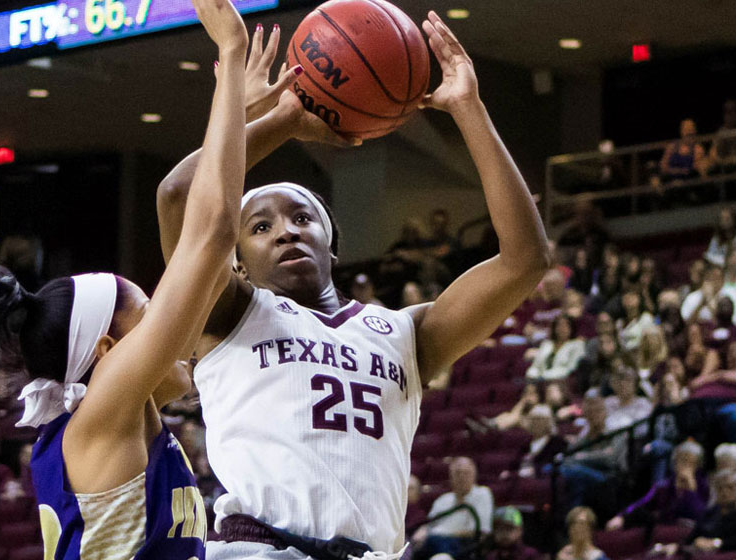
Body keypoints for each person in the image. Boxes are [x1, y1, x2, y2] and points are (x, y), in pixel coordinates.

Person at [156, 10, 551, 559]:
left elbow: (526, 260)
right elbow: (178, 195)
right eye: (261, 227)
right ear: (236, 263)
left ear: (332, 245)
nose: (286, 231)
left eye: (303, 217)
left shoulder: (404, 333)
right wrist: (284, 121)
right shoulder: (229, 314)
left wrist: (468, 108)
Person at [0, 1, 250, 557]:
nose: (168, 317)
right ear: (107, 350)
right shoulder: (101, 414)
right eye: (148, 310)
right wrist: (232, 54)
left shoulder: (105, 421)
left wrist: (259, 115)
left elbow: (211, 266)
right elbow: (212, 233)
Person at [607, 440, 709, 530]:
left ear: (698, 465)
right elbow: (642, 504)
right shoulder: (663, 487)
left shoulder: (704, 485)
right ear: (674, 462)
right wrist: (622, 516)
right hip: (663, 533)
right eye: (682, 460)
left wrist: (691, 491)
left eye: (691, 462)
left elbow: (702, 517)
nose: (685, 466)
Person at [417, 457, 494, 559]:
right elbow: (429, 523)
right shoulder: (443, 499)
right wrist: (422, 531)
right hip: (433, 543)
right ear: (451, 476)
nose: (462, 477)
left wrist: (443, 534)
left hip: (463, 545)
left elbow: (481, 531)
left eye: (466, 473)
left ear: (474, 475)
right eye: (458, 473)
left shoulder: (483, 494)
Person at [685, 469, 736, 553]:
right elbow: (692, 537)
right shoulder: (710, 513)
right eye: (720, 488)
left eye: (730, 487)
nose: (724, 492)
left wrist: (717, 543)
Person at [681, 264, 736, 332]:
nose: (713, 282)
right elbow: (686, 324)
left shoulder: (732, 296)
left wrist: (709, 302)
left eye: (716, 278)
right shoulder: (693, 297)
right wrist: (702, 302)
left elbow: (733, 325)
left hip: (723, 335)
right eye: (710, 278)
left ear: (723, 281)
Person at [526, 315, 585, 382]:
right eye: (559, 326)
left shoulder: (577, 345)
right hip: (540, 379)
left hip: (563, 380)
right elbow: (536, 366)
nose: (562, 329)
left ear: (572, 328)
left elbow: (571, 369)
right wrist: (531, 375)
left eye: (566, 326)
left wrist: (544, 376)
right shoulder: (546, 344)